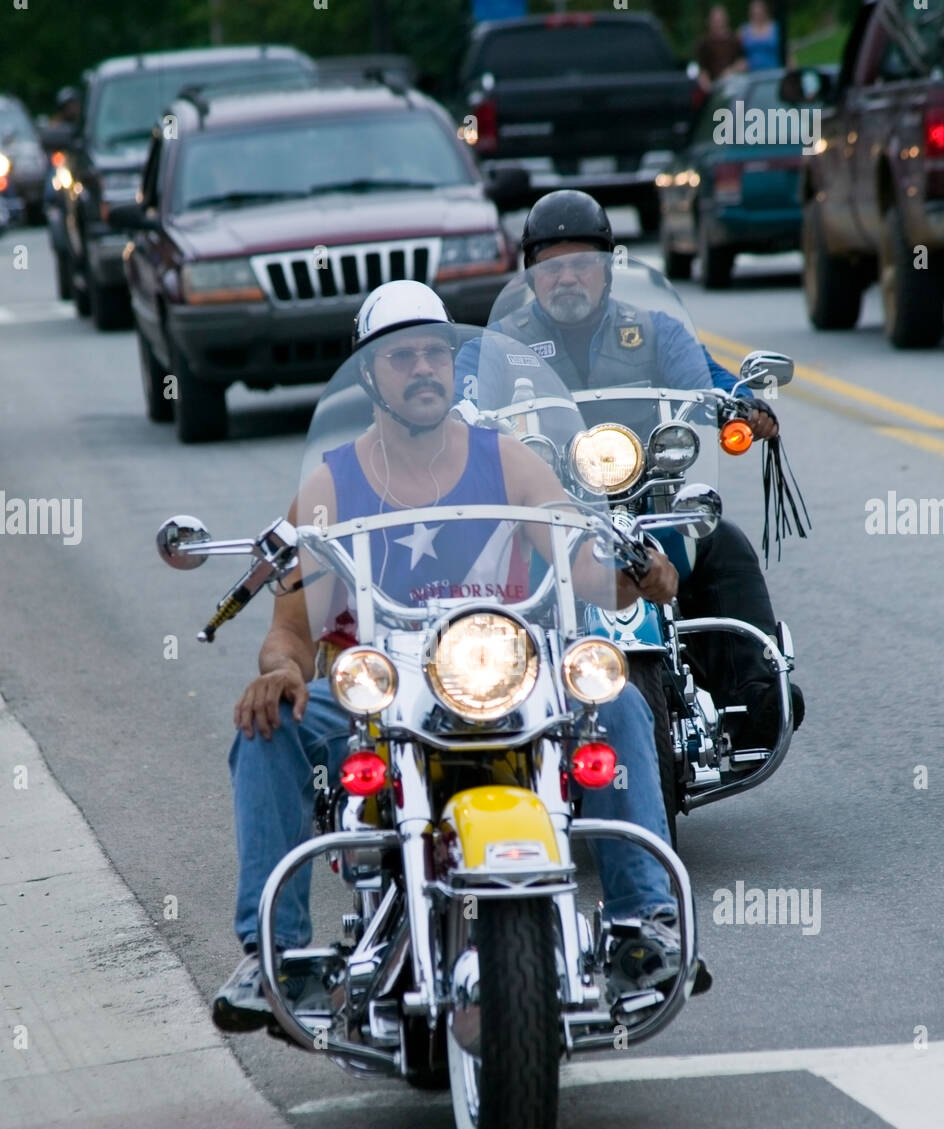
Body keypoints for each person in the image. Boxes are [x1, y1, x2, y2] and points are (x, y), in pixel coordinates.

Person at [213, 281, 707, 1033]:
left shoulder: (507, 461)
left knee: (618, 699)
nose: (422, 369)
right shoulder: (330, 486)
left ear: (455, 365)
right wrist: (280, 670)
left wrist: (635, 573)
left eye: (435, 353)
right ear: (370, 374)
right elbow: (290, 631)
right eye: (401, 355)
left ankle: (646, 927)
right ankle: (271, 954)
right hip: (373, 694)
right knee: (267, 727)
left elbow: (582, 563)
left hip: (503, 672)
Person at [472, 189, 803, 748]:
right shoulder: (502, 343)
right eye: (551, 266)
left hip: (644, 501)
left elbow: (704, 376)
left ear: (607, 268)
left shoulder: (652, 329)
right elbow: (466, 385)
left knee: (720, 543)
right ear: (530, 276)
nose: (568, 278)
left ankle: (757, 694)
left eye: (583, 263)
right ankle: (499, 710)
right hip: (547, 516)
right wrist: (460, 409)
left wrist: (741, 400)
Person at [695, 6, 748, 91]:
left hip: (735, 86)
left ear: (726, 19)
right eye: (715, 20)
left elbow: (743, 63)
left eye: (720, 19)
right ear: (709, 21)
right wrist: (709, 89)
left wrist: (730, 72)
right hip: (715, 89)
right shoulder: (704, 43)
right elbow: (702, 70)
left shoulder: (735, 40)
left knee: (740, 103)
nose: (718, 23)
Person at [739, 1, 782, 72]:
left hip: (775, 72)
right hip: (752, 76)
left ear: (765, 11)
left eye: (760, 11)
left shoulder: (776, 28)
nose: (758, 14)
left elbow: (786, 50)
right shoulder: (743, 31)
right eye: (755, 12)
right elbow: (737, 54)